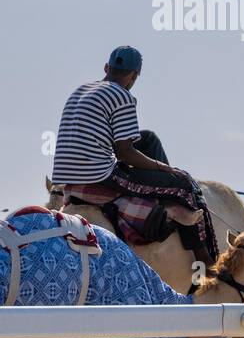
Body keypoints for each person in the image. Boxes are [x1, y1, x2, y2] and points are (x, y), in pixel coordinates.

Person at [51, 45, 216, 265]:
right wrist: (163, 168)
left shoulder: (81, 90)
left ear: (106, 67)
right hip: (99, 175)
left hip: (69, 175)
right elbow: (125, 153)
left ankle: (161, 196)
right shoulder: (122, 96)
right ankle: (203, 258)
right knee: (185, 185)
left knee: (148, 138)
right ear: (134, 75)